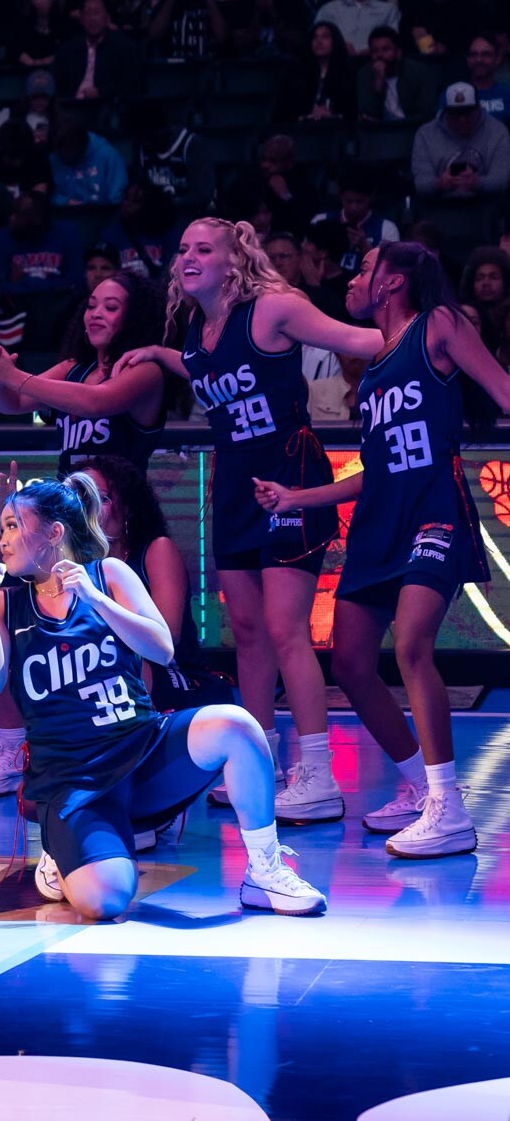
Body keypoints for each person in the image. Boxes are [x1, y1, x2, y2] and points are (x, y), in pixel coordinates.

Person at [115, 218, 383, 822]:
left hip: (290, 471)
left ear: (234, 259)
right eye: (182, 248)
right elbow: (206, 370)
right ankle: (257, 760)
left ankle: (318, 774)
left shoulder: (273, 309)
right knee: (248, 631)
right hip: (235, 483)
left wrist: (427, 332)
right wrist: (159, 353)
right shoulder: (196, 326)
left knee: (286, 629)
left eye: (203, 249)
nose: (188, 256)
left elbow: (358, 340)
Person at [0, 472, 325, 918]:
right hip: (74, 781)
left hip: (142, 750)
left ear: (54, 533)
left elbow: (162, 648)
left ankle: (264, 872)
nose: (2, 539)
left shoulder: (108, 575)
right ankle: (62, 851)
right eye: (2, 527)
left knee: (237, 726)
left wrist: (98, 601)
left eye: (13, 525)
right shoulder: (7, 604)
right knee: (105, 901)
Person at [257, 243, 510, 857]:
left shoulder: (439, 324)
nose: (352, 277)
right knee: (349, 664)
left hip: (433, 507)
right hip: (378, 522)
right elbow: (375, 469)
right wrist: (299, 497)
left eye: (365, 268)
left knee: (413, 644)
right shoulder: (372, 367)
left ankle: (449, 809)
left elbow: (503, 390)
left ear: (394, 281)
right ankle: (420, 788)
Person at [81, 454, 236, 712]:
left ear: (127, 506)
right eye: (81, 498)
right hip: (102, 668)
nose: (88, 506)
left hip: (174, 673)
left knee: (124, 661)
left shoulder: (156, 550)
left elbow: (167, 638)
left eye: (101, 498)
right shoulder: (73, 560)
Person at [0, 271, 165, 473]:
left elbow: (95, 403)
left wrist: (11, 375)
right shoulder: (72, 368)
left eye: (110, 307)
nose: (96, 314)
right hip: (69, 492)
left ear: (135, 319)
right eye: (91, 306)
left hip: (122, 493)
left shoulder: (146, 371)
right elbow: (13, 402)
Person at [411, 83, 510, 200]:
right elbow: (421, 184)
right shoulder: (425, 135)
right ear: (446, 112)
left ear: (478, 109)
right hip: (440, 206)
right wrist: (439, 184)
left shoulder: (498, 131)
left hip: (486, 206)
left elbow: (501, 180)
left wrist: (478, 183)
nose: (462, 120)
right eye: (456, 114)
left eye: (467, 113)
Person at [356, 27, 436, 125]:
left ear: (398, 52)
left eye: (386, 49)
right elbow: (367, 115)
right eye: (375, 51)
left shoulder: (419, 72)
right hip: (381, 131)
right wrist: (378, 86)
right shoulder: (365, 75)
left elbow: (427, 114)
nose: (379, 55)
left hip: (412, 129)